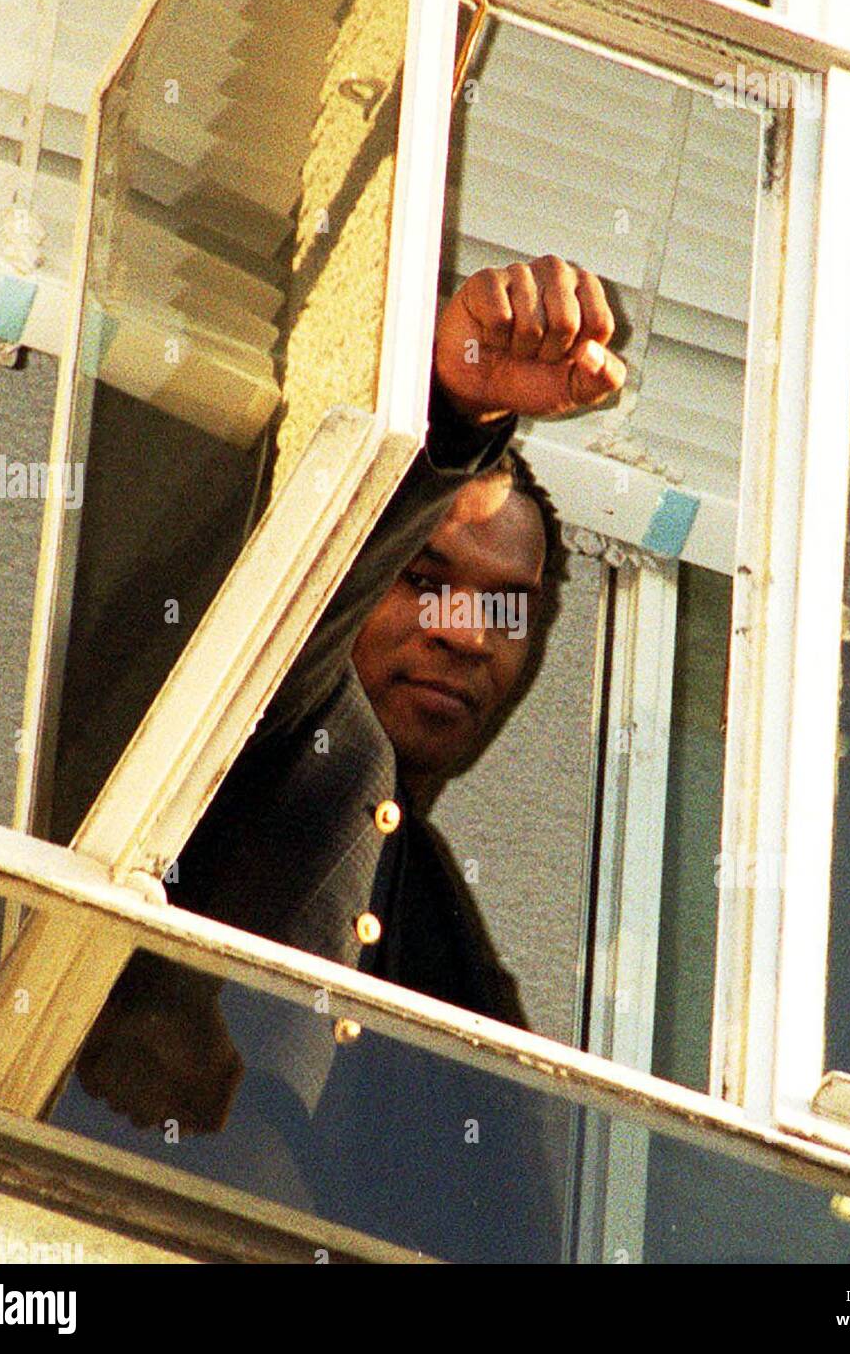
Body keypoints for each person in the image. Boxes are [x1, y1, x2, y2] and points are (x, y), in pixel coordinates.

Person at [69, 255, 626, 1259]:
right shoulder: (259, 731)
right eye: (425, 577)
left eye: (506, 606)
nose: (465, 631)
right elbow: (284, 644)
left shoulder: (449, 928)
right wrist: (452, 416)